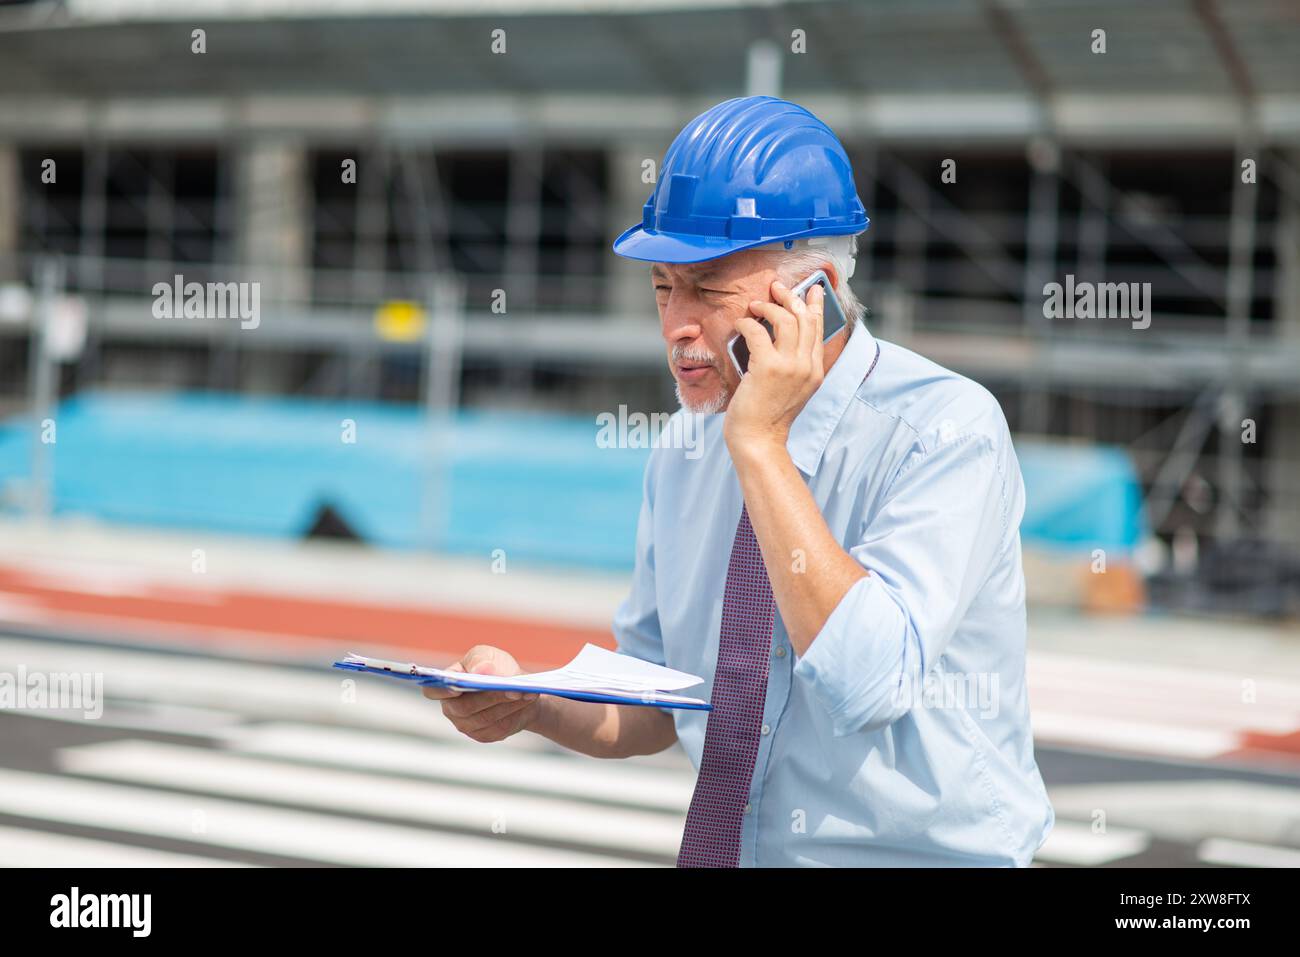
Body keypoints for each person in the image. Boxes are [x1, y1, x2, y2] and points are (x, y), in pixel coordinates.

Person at [425, 95, 1054, 867]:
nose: (676, 325)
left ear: (812, 293)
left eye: (708, 288)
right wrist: (532, 700)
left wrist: (760, 446)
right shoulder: (686, 447)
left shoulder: (944, 432)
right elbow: (661, 703)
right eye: (662, 287)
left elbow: (866, 681)